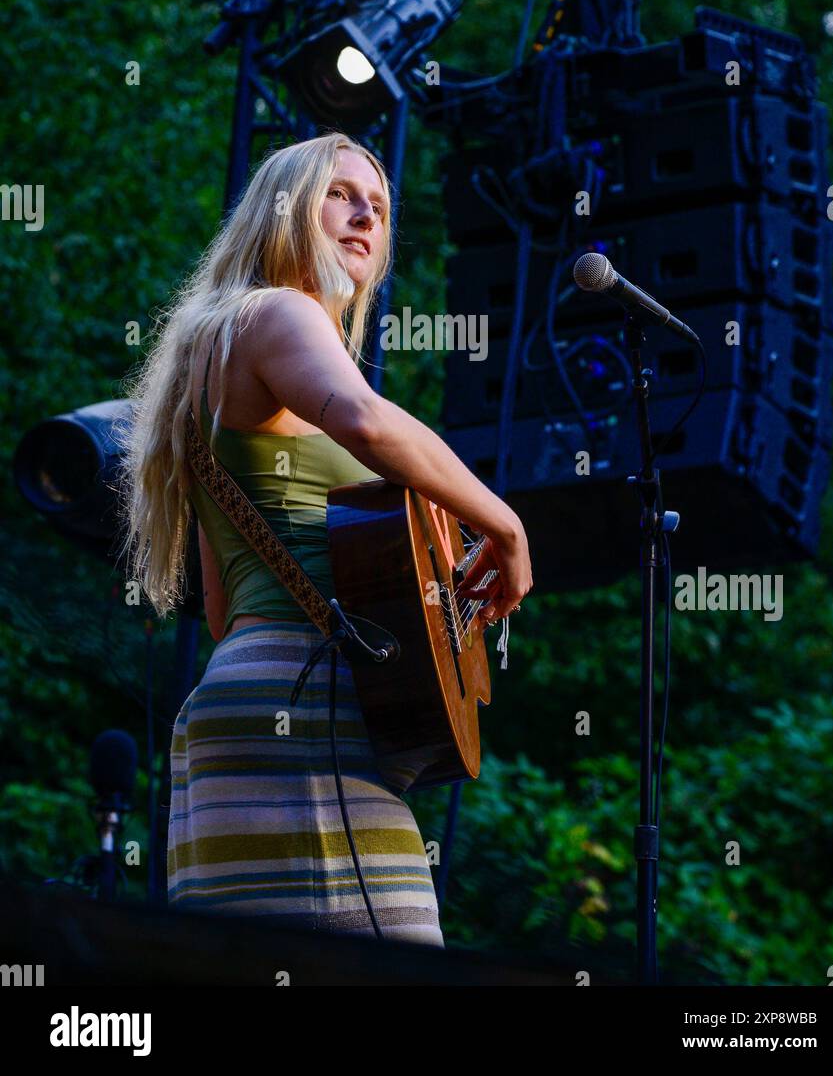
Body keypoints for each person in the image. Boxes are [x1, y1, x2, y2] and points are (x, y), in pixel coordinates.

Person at [117, 130, 532, 945]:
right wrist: (505, 526)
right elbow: (366, 422)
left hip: (235, 701)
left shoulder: (208, 353)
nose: (364, 216)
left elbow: (222, 611)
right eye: (339, 194)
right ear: (283, 210)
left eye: (377, 206)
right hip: (309, 707)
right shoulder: (279, 312)